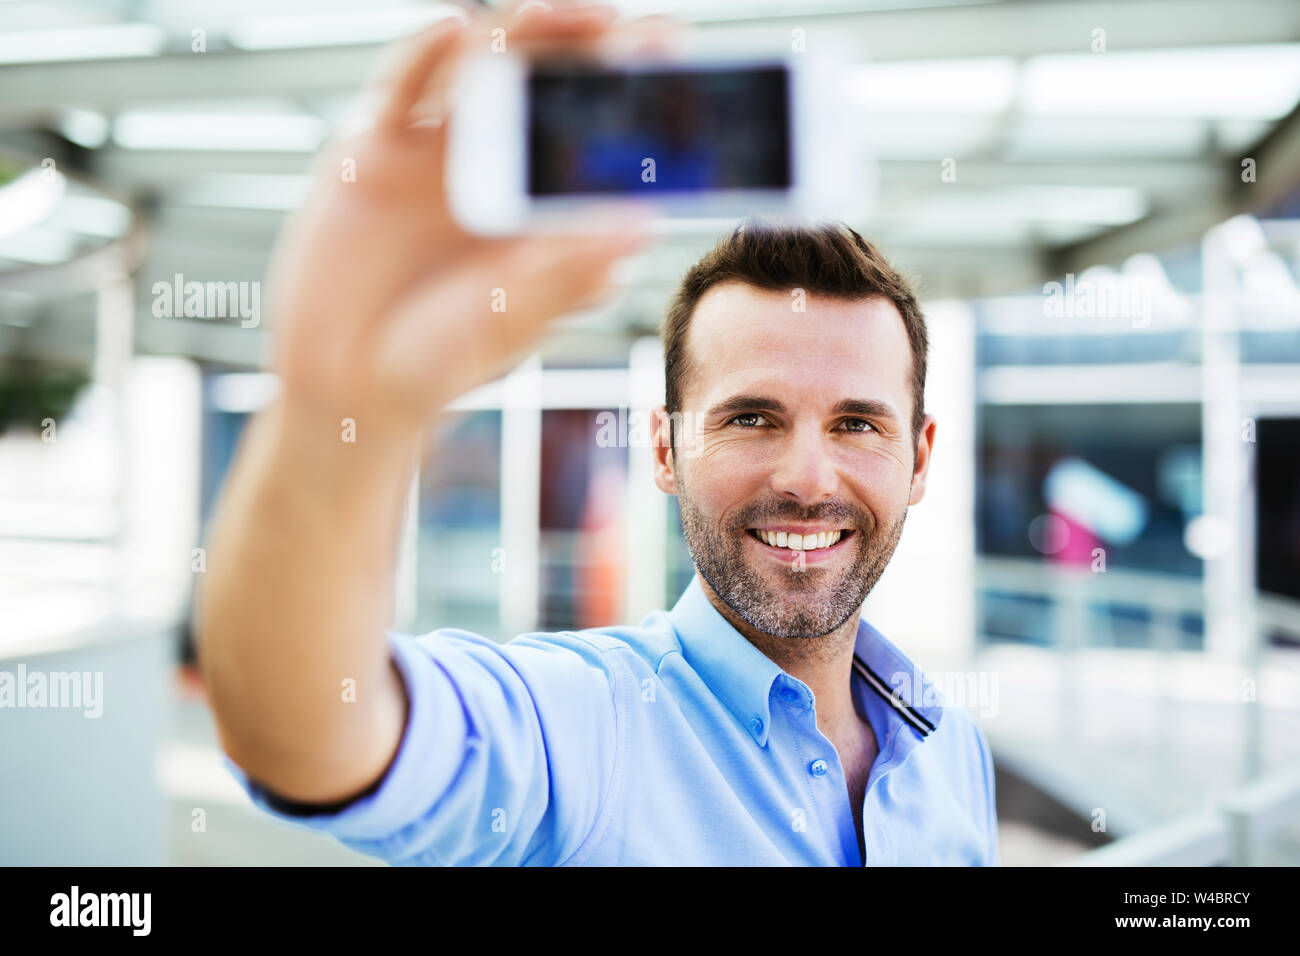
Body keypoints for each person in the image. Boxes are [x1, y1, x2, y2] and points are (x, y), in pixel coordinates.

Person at [197, 0, 999, 866]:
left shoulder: (950, 747)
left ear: (920, 458)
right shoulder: (584, 728)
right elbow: (309, 732)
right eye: (750, 418)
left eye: (857, 424)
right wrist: (333, 408)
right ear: (664, 449)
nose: (808, 476)